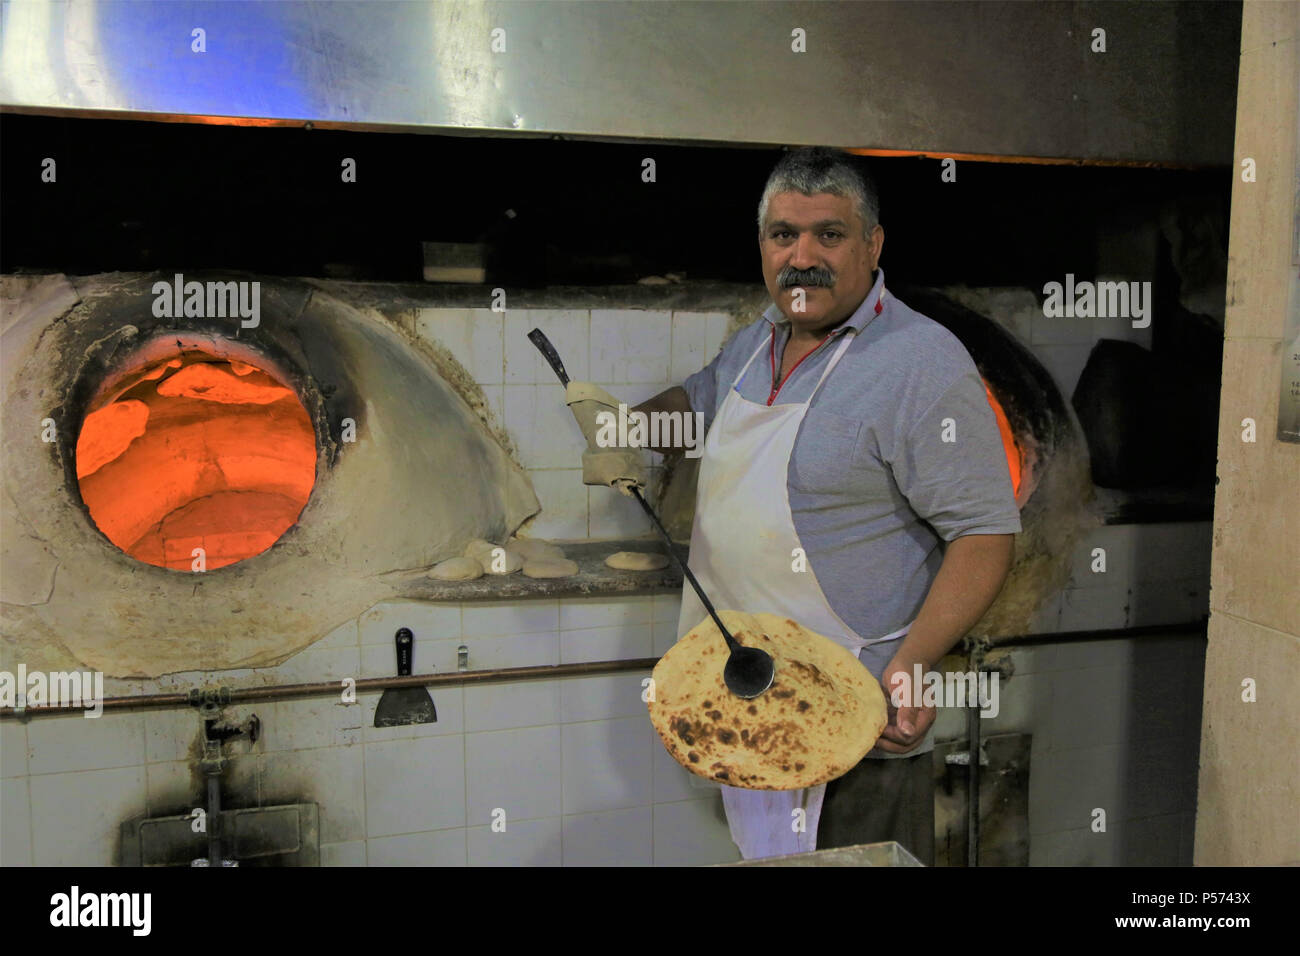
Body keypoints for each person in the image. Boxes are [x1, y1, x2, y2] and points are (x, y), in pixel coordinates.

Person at [565, 146, 1020, 863]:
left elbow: (986, 534)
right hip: (746, 698)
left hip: (851, 719)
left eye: (828, 235)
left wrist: (914, 664)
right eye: (784, 235)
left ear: (873, 244)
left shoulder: (921, 364)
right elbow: (696, 405)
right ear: (762, 244)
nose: (802, 256)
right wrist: (626, 430)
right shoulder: (757, 343)